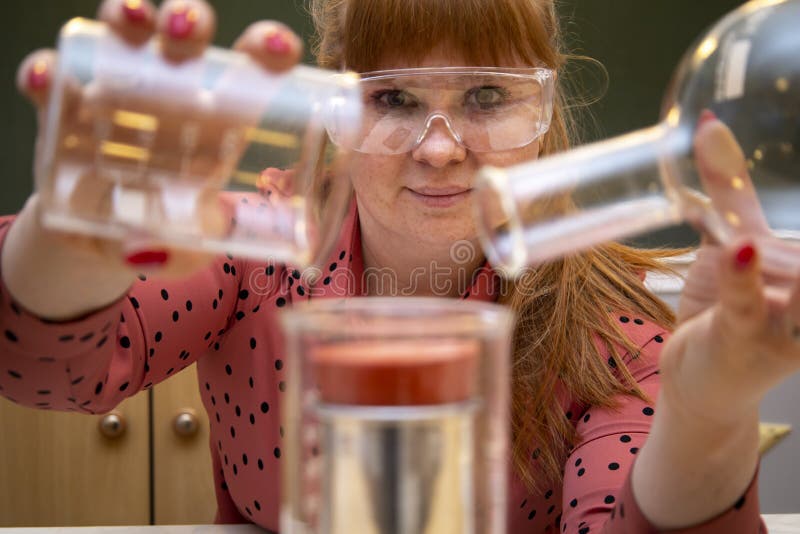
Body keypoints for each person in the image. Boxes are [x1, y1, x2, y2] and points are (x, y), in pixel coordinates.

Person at [1, 0, 795, 532]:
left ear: (542, 110)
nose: (441, 149)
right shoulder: (255, 247)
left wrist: (705, 415)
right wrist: (68, 239)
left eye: (486, 95)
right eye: (394, 101)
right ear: (335, 114)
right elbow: (46, 369)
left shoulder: (609, 321)